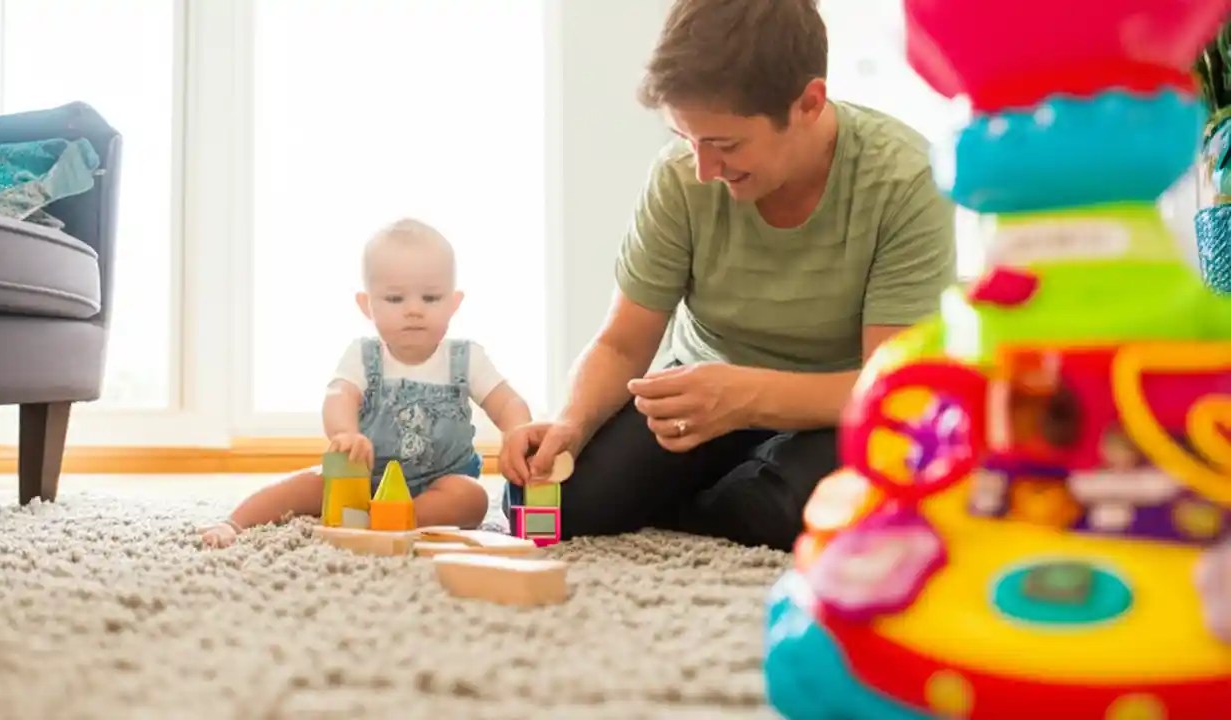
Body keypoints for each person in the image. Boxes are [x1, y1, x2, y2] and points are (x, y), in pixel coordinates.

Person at [498, 0, 957, 552]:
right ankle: (724, 491)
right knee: (551, 498)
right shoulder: (680, 178)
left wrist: (748, 396)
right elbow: (622, 344)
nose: (703, 169)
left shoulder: (904, 180)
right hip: (701, 395)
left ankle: (725, 493)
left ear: (809, 103)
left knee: (792, 510)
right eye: (688, 139)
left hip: (834, 411)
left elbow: (888, 384)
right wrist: (571, 424)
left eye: (725, 145)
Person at [202, 219, 532, 548]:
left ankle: (391, 520)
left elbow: (507, 402)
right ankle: (235, 521)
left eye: (430, 298)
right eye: (394, 298)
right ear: (367, 305)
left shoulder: (466, 358)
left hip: (439, 482)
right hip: (363, 480)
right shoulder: (363, 356)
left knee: (471, 498)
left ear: (454, 303)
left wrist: (516, 431)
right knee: (307, 484)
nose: (414, 310)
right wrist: (345, 433)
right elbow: (339, 394)